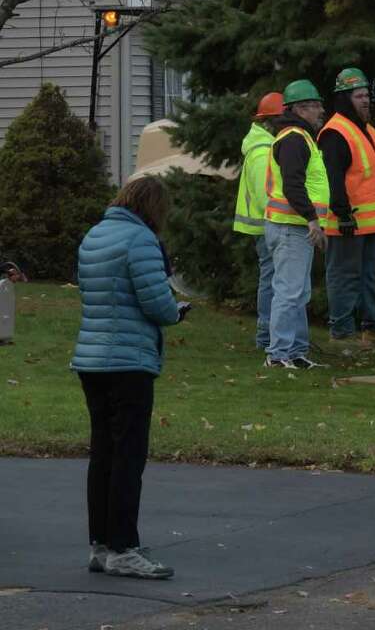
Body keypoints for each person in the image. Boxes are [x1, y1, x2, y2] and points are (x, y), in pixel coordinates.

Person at [71, 174, 188, 580]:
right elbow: (157, 303)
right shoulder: (141, 240)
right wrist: (176, 312)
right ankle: (123, 546)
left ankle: (101, 544)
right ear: (154, 208)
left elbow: (93, 293)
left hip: (91, 358)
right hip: (129, 360)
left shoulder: (95, 235)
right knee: (128, 456)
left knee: (103, 453)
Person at [318, 67, 375, 347]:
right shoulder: (336, 132)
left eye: (366, 95)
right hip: (347, 220)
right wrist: (342, 212)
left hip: (369, 222)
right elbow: (333, 177)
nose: (365, 101)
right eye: (359, 96)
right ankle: (342, 333)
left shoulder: (369, 132)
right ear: (345, 99)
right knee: (344, 277)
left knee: (370, 276)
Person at [262, 79, 332, 370]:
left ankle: (295, 352)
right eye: (316, 106)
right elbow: (293, 186)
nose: (321, 111)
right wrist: (312, 219)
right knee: (290, 292)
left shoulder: (298, 137)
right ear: (301, 109)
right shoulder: (294, 139)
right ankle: (278, 354)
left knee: (298, 293)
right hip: (291, 227)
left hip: (293, 226)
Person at [231, 90, 285, 352]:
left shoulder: (263, 146)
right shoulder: (264, 151)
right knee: (272, 279)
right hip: (269, 225)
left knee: (271, 278)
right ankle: (266, 336)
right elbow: (267, 196)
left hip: (265, 224)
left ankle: (267, 335)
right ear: (272, 121)